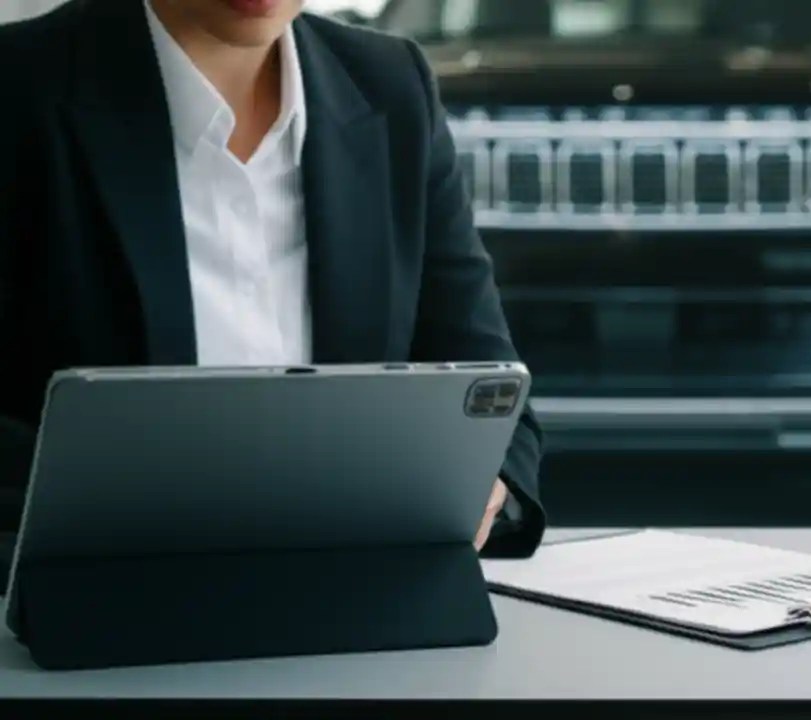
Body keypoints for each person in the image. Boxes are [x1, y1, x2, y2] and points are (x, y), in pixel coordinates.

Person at [0, 0, 545, 563]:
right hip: (98, 598)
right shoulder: (19, 87)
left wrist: (483, 484)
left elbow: (496, 398)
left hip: (364, 600)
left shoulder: (390, 86)